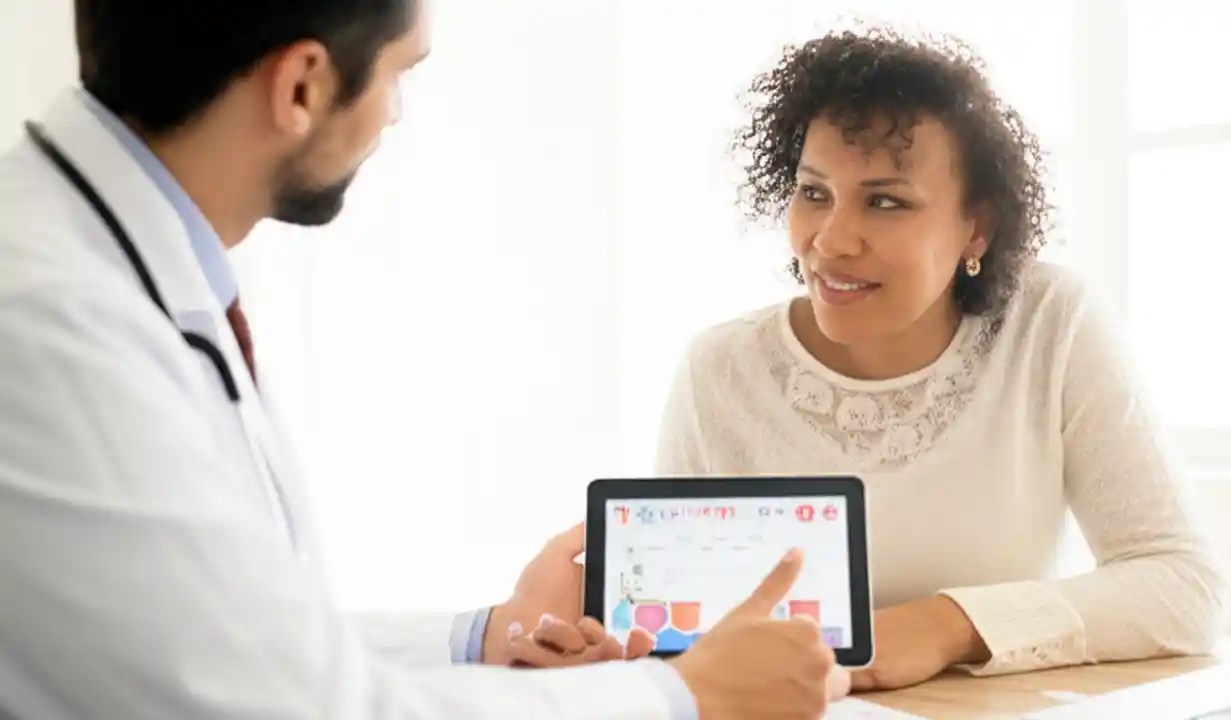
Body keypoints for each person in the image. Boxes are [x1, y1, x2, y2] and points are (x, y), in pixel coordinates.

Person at [0, 1, 837, 718]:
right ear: (301, 86)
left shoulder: (114, 268)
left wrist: (483, 635)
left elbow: (216, 635)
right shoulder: (49, 322)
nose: (395, 115)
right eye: (399, 73)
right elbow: (281, 706)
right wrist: (681, 694)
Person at [643, 26, 1226, 692]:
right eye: (814, 193)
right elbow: (678, 639)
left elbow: (1183, 584)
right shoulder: (719, 370)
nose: (831, 240)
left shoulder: (1050, 323)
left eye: (885, 201)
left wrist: (947, 624)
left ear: (975, 226)